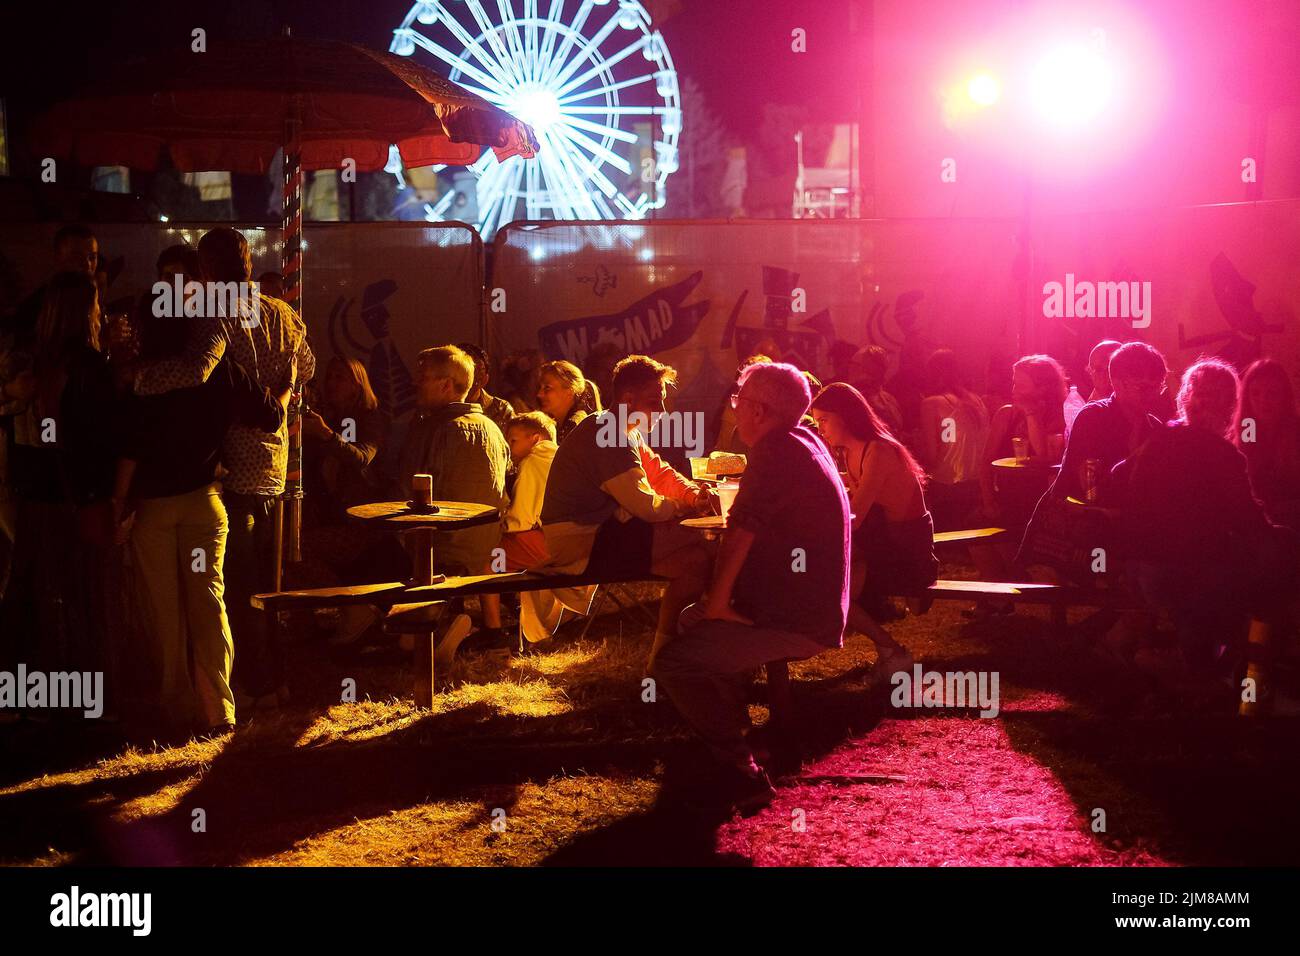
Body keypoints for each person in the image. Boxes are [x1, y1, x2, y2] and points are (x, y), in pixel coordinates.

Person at [652, 362, 851, 812]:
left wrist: (719, 601)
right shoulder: (805, 440)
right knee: (690, 622)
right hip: (811, 607)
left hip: (794, 618)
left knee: (675, 664)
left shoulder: (776, 451)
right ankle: (740, 735)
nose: (733, 409)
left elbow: (741, 531)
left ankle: (741, 771)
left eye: (739, 401)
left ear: (760, 410)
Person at [133, 227, 315, 704]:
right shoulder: (282, 312)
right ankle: (274, 678)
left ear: (207, 269)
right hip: (274, 461)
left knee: (237, 586)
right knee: (265, 583)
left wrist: (139, 380)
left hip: (228, 466)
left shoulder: (219, 311)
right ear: (250, 263)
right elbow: (308, 370)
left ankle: (255, 684)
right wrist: (280, 385)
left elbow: (197, 370)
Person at [113, 301, 287, 737]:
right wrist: (287, 392)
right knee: (210, 603)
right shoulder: (220, 373)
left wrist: (118, 502)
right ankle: (219, 710)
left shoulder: (144, 377)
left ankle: (176, 705)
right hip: (204, 503)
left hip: (154, 506)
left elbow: (130, 449)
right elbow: (271, 416)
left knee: (164, 609)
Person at [1115, 359, 1292, 691]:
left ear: (1186, 398)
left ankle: (1193, 662)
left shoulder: (1159, 440)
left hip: (1139, 568)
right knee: (1260, 576)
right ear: (1230, 405)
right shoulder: (1225, 455)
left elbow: (1116, 476)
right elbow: (1252, 525)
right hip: (1185, 573)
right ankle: (1223, 669)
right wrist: (1287, 536)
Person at [539, 355, 713, 657]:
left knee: (695, 562)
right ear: (629, 399)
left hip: (597, 533)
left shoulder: (620, 429)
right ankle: (720, 634)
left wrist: (693, 495)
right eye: (654, 401)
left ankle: (664, 658)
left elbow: (659, 473)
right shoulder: (608, 434)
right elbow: (647, 507)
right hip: (582, 541)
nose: (661, 410)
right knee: (706, 538)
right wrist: (686, 509)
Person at [0, 272, 118, 709]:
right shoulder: (87, 366)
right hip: (78, 496)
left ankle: (39, 696)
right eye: (96, 305)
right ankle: (92, 700)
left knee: (41, 595)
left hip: (35, 492)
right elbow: (99, 437)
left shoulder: (29, 363)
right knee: (88, 599)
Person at [811, 383, 935, 676]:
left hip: (906, 546)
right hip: (882, 541)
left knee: (830, 585)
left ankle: (890, 648)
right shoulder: (851, 451)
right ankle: (887, 647)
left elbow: (854, 517)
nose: (820, 428)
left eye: (824, 420)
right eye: (817, 422)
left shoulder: (878, 450)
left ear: (845, 416)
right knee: (829, 583)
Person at [396, 346, 509, 574]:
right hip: (482, 552)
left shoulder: (431, 429)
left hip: (435, 553)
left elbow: (406, 494)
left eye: (423, 377)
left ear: (446, 385)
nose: (415, 382)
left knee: (355, 570)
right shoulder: (493, 429)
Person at [474, 411, 558, 649]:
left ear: (535, 439)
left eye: (513, 440)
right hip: (569, 538)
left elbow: (521, 517)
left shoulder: (534, 462)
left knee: (488, 563)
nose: (509, 446)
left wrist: (502, 525)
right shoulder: (560, 457)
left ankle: (493, 630)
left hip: (547, 541)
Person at [1050, 342, 1169, 504]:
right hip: (1077, 519)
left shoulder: (1155, 427)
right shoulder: (1092, 417)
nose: (1152, 395)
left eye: (1157, 387)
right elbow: (1090, 488)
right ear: (1117, 383)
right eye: (1143, 387)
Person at [917, 348, 990, 531]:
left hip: (946, 488)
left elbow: (932, 456)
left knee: (948, 550)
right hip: (977, 486)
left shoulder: (931, 404)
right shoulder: (977, 401)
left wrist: (915, 444)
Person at [1236, 359, 1300, 529]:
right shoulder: (1249, 428)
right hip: (1261, 523)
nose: (1263, 400)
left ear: (1284, 397)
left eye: (1271, 394)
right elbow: (1246, 476)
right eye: (1255, 393)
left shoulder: (1295, 431)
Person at [715, 354, 771, 455]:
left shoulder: (785, 432)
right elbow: (721, 449)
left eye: (745, 389)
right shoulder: (732, 411)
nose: (739, 395)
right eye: (739, 388)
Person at [458, 342, 515, 437]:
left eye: (479, 372)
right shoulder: (441, 408)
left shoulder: (501, 410)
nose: (474, 379)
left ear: (485, 378)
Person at [537, 359, 600, 443]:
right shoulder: (562, 428)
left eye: (547, 388)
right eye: (540, 387)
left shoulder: (577, 427)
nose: (539, 394)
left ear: (570, 391)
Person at [851, 345, 906, 440]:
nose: (850, 368)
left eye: (854, 364)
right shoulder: (849, 398)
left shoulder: (886, 399)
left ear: (869, 369)